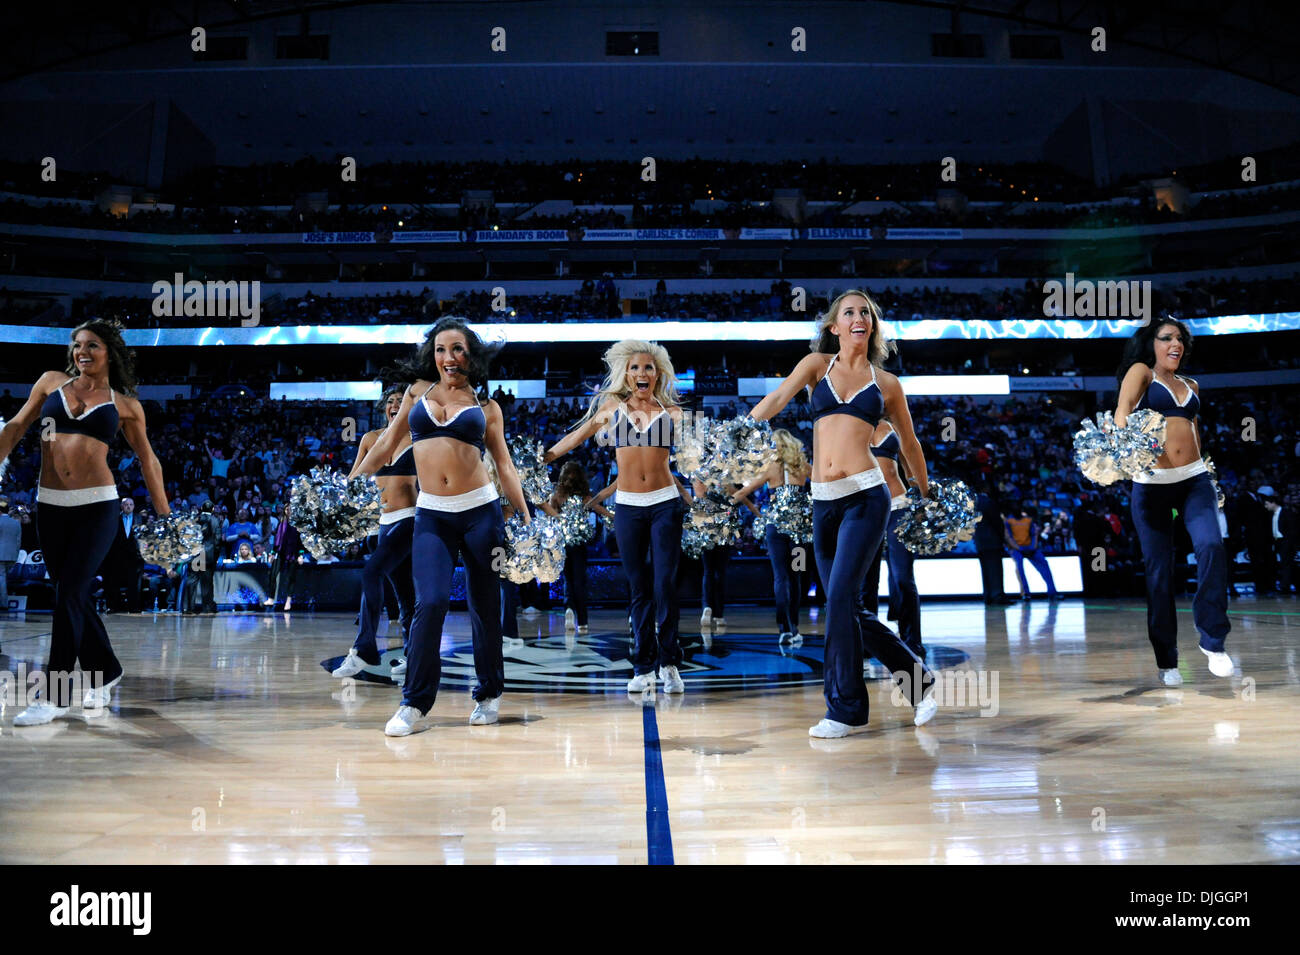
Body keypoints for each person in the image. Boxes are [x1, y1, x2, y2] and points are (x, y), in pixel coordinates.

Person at [747, 290, 937, 738]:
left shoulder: (886, 383)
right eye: (849, 312)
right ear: (834, 327)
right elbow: (776, 400)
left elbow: (910, 445)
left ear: (872, 326)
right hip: (821, 500)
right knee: (844, 604)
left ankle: (845, 710)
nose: (859, 317)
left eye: (865, 312)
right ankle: (919, 681)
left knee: (840, 601)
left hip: (866, 499)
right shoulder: (817, 366)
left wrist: (926, 495)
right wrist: (742, 428)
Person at [355, 319, 531, 736]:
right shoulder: (417, 393)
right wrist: (352, 484)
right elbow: (384, 444)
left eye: (456, 349)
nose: (447, 357)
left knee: (484, 607)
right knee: (429, 603)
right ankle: (414, 703)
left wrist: (524, 515)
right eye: (439, 349)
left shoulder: (487, 406)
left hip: (480, 513)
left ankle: (488, 694)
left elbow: (503, 464)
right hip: (431, 514)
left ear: (472, 354)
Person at [0, 319, 172, 725]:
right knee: (69, 594)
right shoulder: (50, 384)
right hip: (50, 505)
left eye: (92, 345)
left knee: (72, 590)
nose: (82, 352)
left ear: (109, 351)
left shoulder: (125, 405)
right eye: (77, 345)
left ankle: (55, 696)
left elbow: (148, 460)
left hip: (98, 506)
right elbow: (15, 428)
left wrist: (165, 516)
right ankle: (107, 670)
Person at [544, 339, 690, 694]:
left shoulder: (673, 412)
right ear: (626, 374)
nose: (642, 373)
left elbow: (692, 458)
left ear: (658, 374)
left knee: (665, 585)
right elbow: (576, 437)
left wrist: (701, 492)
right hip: (627, 506)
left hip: (665, 503)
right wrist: (543, 458)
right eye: (635, 367)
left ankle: (669, 663)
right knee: (639, 588)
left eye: (649, 368)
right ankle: (643, 667)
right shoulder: (612, 408)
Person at [1115, 317, 1232, 685]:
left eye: (1179, 338)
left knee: (1212, 546)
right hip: (1151, 486)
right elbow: (1123, 409)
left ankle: (1213, 641)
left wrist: (1210, 473)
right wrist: (1119, 439)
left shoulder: (1191, 385)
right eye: (1166, 338)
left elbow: (1194, 431)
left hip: (1194, 480)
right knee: (1160, 572)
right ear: (1152, 344)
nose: (1175, 344)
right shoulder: (1142, 373)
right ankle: (1167, 660)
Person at [332, 383, 418, 681]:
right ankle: (413, 656)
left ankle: (364, 650)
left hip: (412, 520)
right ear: (384, 408)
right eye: (390, 401)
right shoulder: (370, 439)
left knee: (372, 573)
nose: (395, 404)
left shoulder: (420, 438)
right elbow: (353, 481)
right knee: (406, 596)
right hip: (384, 524)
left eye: (401, 400)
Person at [733, 428, 812, 643]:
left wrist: (729, 507)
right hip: (799, 532)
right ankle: (794, 627)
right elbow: (825, 485)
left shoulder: (770, 467)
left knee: (781, 577)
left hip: (775, 527)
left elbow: (742, 493)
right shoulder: (804, 467)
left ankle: (784, 628)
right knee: (796, 575)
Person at [859, 418, 923, 657]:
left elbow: (910, 469)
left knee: (903, 578)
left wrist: (920, 502)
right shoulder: (852, 424)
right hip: (867, 509)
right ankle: (870, 642)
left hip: (899, 505)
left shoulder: (893, 427)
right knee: (866, 582)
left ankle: (912, 641)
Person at [540, 462, 610, 636]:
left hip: (562, 543)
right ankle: (583, 622)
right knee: (580, 581)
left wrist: (559, 518)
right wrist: (613, 516)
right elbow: (599, 509)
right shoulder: (584, 496)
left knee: (568, 580)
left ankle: (569, 609)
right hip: (578, 544)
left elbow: (549, 513)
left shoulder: (556, 495)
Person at [1004, 505, 1060, 601]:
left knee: (1044, 563)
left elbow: (1034, 534)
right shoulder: (1008, 521)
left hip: (1031, 548)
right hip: (1017, 549)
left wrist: (1033, 547)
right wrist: (1018, 548)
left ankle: (1052, 592)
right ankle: (1025, 593)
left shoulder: (1028, 520)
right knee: (1019, 566)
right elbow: (1008, 537)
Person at [975, 485, 1010, 605]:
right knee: (995, 570)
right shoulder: (988, 502)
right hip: (992, 541)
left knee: (985, 570)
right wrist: (1003, 538)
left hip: (979, 542)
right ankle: (997, 596)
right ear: (986, 489)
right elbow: (997, 522)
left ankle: (988, 596)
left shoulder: (972, 502)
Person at [268, 502, 301, 611]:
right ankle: (271, 598)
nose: (289, 511)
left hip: (292, 553)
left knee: (291, 577)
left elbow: (301, 541)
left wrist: (300, 554)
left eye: (290, 509)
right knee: (273, 575)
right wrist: (272, 553)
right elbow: (277, 539)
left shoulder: (298, 523)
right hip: (281, 552)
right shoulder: (281, 523)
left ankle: (288, 601)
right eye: (287, 509)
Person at [0, 498, 19, 614]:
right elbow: (18, 541)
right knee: (3, 579)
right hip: (12, 556)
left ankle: (3, 604)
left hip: (0, 556)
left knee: (1, 579)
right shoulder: (16, 523)